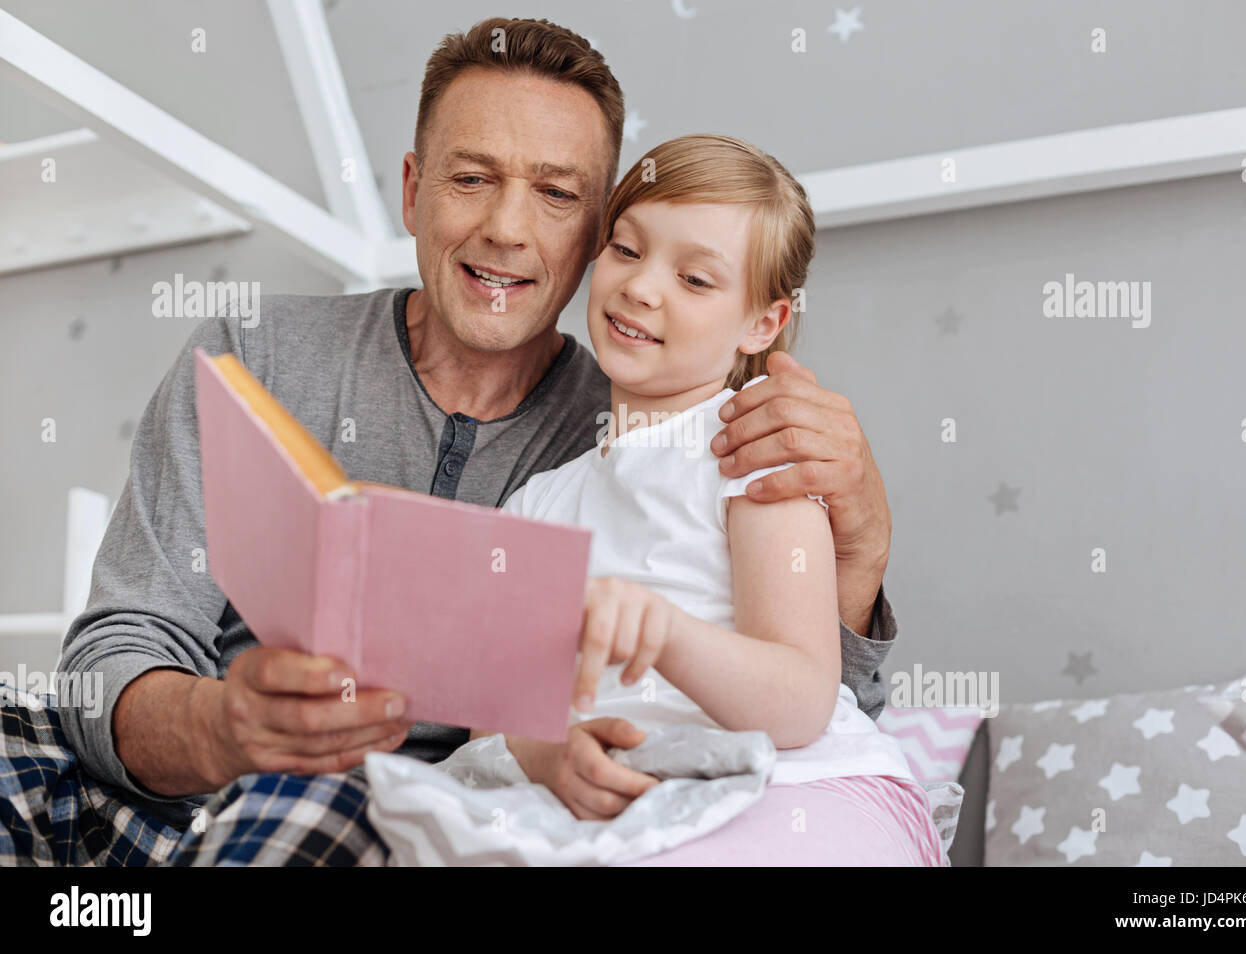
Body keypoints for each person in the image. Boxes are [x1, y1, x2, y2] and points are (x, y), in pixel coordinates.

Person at [0, 17, 898, 866]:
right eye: (471, 178)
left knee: (311, 810)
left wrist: (862, 545)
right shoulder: (255, 351)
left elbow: (808, 715)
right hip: (151, 784)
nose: (506, 227)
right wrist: (221, 725)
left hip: (354, 814)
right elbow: (118, 646)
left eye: (555, 194)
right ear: (412, 191)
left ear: (590, 236)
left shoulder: (656, 431)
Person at [464, 134, 942, 865]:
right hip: (625, 805)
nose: (642, 287)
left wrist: (667, 633)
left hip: (792, 786)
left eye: (695, 279)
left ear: (763, 323)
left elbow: (801, 700)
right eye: (626, 249)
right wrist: (548, 753)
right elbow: (488, 728)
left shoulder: (753, 450)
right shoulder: (537, 502)